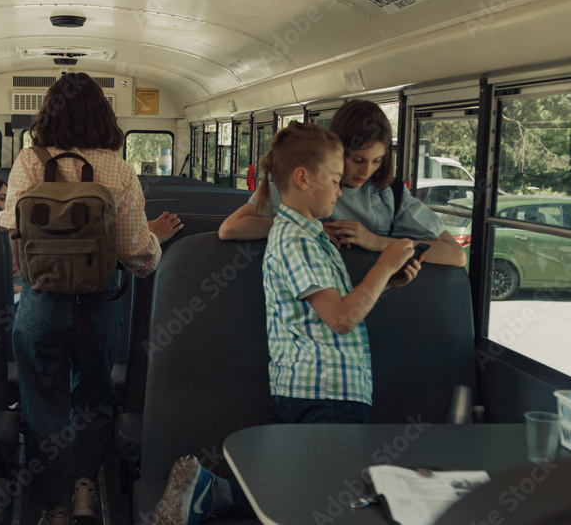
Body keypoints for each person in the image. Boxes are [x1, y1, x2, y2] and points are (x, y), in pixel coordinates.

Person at [151, 122, 422, 524]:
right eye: (334, 180)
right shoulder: (297, 241)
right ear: (302, 178)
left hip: (307, 385)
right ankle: (212, 492)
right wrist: (384, 264)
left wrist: (388, 282)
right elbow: (340, 318)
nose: (340, 190)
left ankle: (212, 492)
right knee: (331, 497)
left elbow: (332, 306)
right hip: (328, 388)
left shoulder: (307, 235)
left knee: (299, 486)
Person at [0, 72, 176, 525]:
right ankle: (83, 492)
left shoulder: (28, 161)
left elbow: (12, 234)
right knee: (93, 399)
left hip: (39, 304)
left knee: (42, 404)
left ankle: (52, 505)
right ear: (104, 115)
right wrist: (153, 243)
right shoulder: (118, 169)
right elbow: (138, 255)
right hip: (99, 305)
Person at [218, 99, 465, 267]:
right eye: (357, 159)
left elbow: (456, 254)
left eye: (377, 161)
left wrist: (376, 242)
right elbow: (230, 228)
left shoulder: (391, 195)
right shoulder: (298, 188)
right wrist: (309, 227)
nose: (366, 171)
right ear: (336, 149)